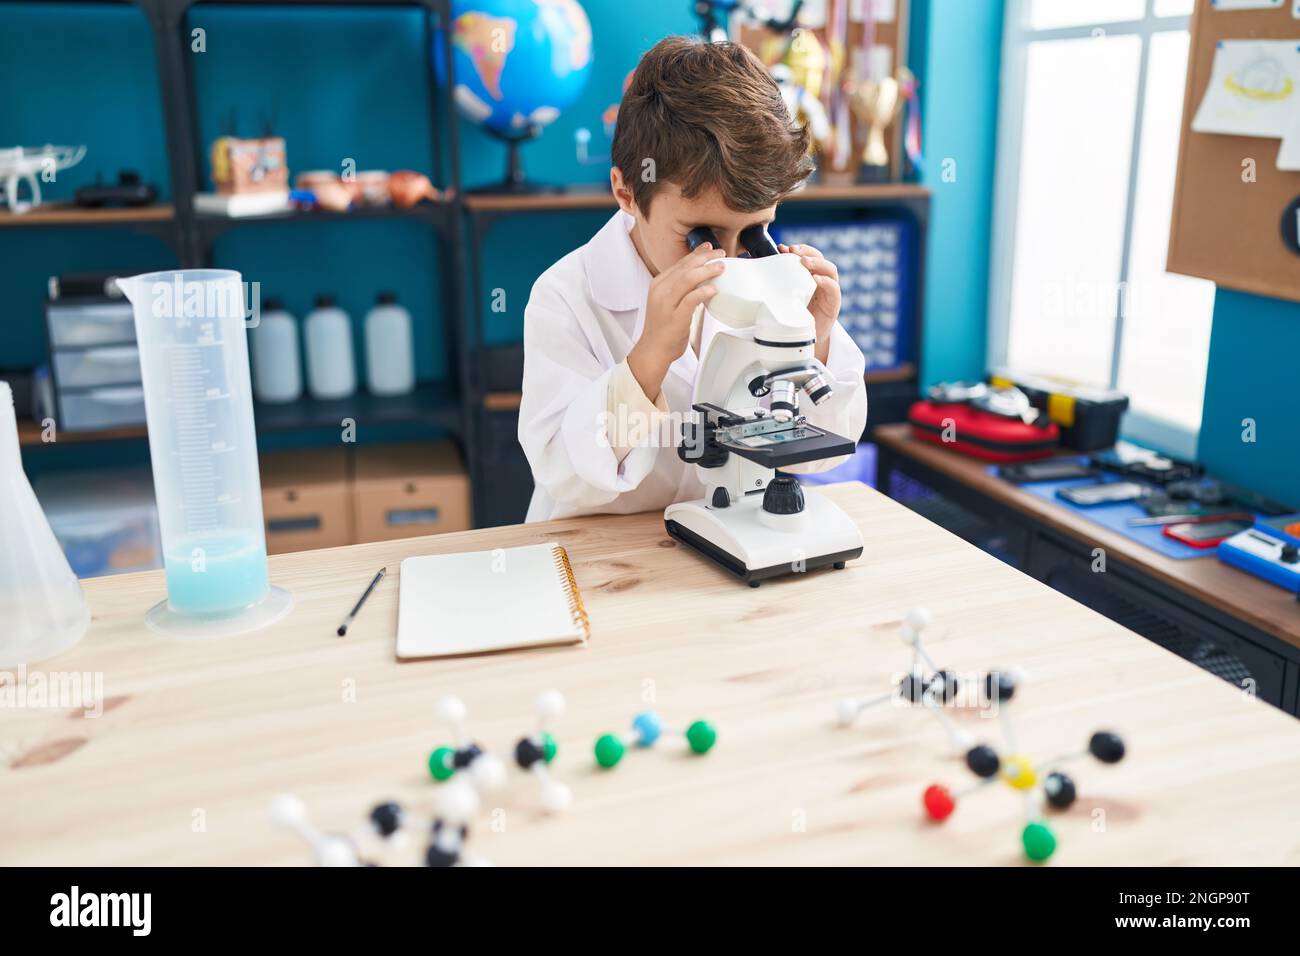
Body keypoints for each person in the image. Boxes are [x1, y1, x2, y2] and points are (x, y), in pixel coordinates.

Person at [519, 36, 867, 522]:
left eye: (754, 232)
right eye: (700, 234)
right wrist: (648, 359)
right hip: (599, 552)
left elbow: (825, 451)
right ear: (625, 191)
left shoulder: (766, 281)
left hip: (723, 533)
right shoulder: (565, 296)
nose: (727, 257)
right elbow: (561, 470)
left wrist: (816, 340)